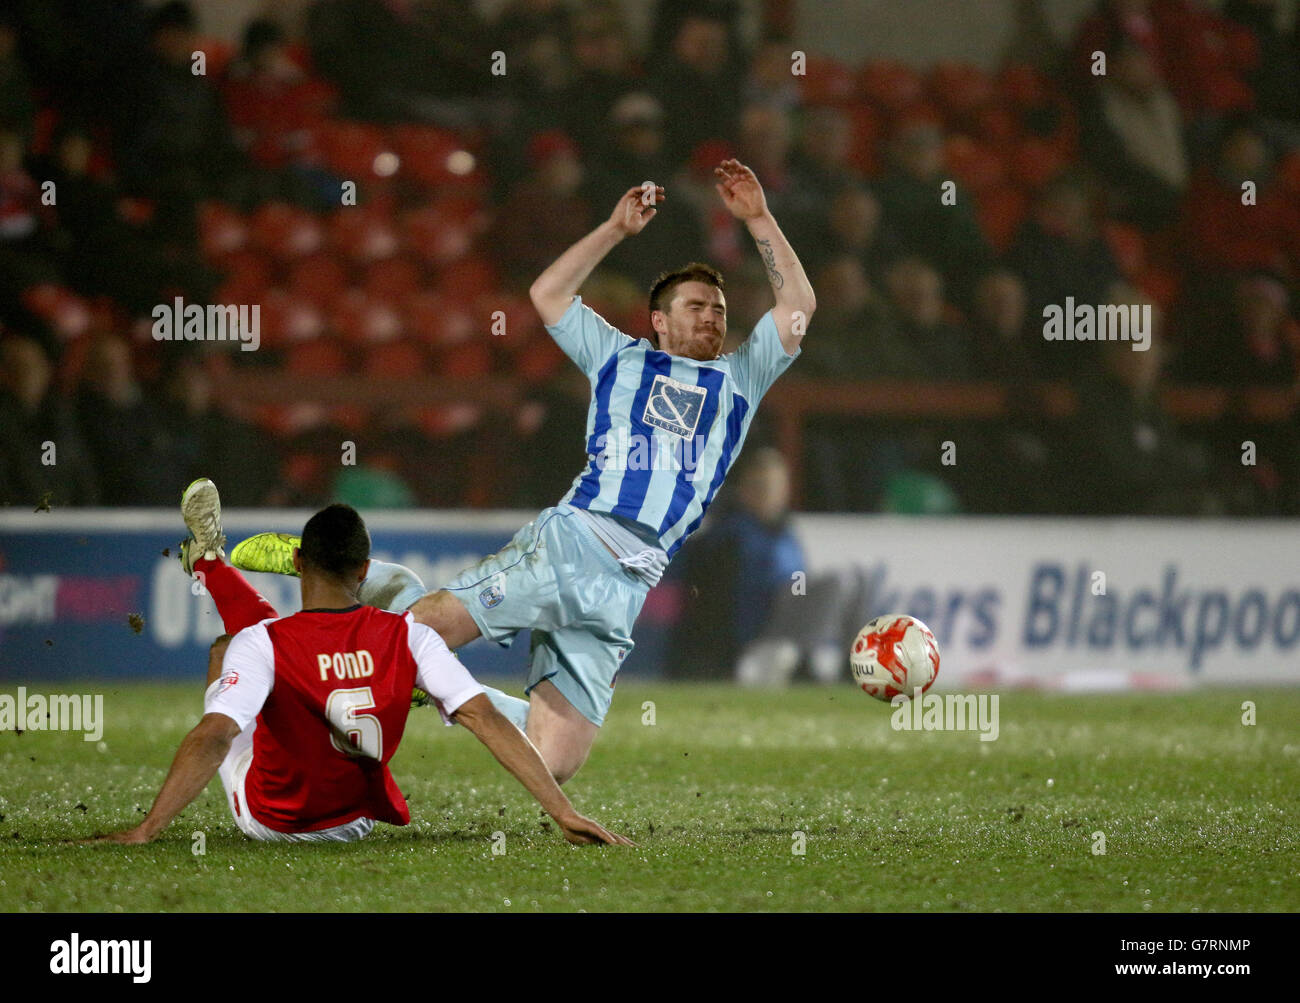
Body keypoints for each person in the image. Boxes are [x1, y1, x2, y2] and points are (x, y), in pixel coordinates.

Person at [229, 158, 816, 785]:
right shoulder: (617, 357)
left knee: (552, 762)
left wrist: (757, 219)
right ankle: (312, 626)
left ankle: (423, 651)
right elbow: (549, 294)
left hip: (631, 584)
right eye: (696, 306)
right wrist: (615, 230)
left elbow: (798, 305)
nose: (712, 317)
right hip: (574, 544)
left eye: (720, 309)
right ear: (659, 321)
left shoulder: (740, 379)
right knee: (416, 638)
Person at [88, 479, 630, 846]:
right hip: (360, 820)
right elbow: (484, 719)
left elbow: (212, 737)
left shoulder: (268, 642)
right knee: (407, 648)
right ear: (363, 566)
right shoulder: (409, 635)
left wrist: (148, 828)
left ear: (298, 562)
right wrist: (562, 811)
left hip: (271, 820)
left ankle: (209, 563)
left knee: (229, 649)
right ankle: (216, 562)